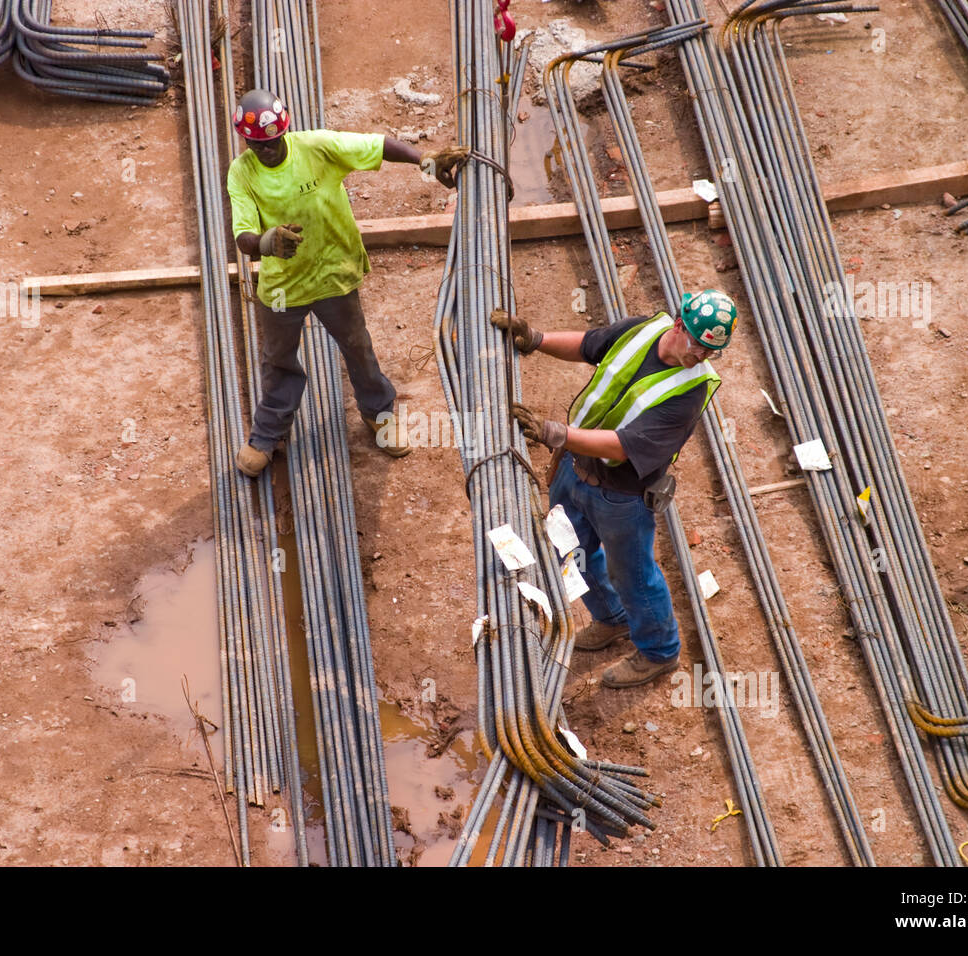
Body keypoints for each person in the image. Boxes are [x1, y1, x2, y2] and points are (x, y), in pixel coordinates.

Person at [496, 291, 738, 688]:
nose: (700, 357)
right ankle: (612, 619)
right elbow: (592, 344)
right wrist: (537, 338)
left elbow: (624, 445)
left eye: (711, 352)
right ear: (679, 325)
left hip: (622, 496)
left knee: (634, 575)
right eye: (697, 345)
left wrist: (555, 433)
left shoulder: (689, 393)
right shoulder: (644, 329)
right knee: (568, 550)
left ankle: (659, 652)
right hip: (575, 469)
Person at [225, 88, 468, 477]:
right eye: (256, 145)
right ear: (247, 141)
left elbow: (377, 147)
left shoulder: (317, 148)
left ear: (283, 132)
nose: (265, 150)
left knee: (357, 347)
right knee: (277, 360)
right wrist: (267, 243)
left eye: (271, 143)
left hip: (333, 272)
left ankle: (379, 415)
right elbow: (242, 236)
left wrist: (426, 162)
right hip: (284, 286)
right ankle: (267, 435)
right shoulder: (242, 172)